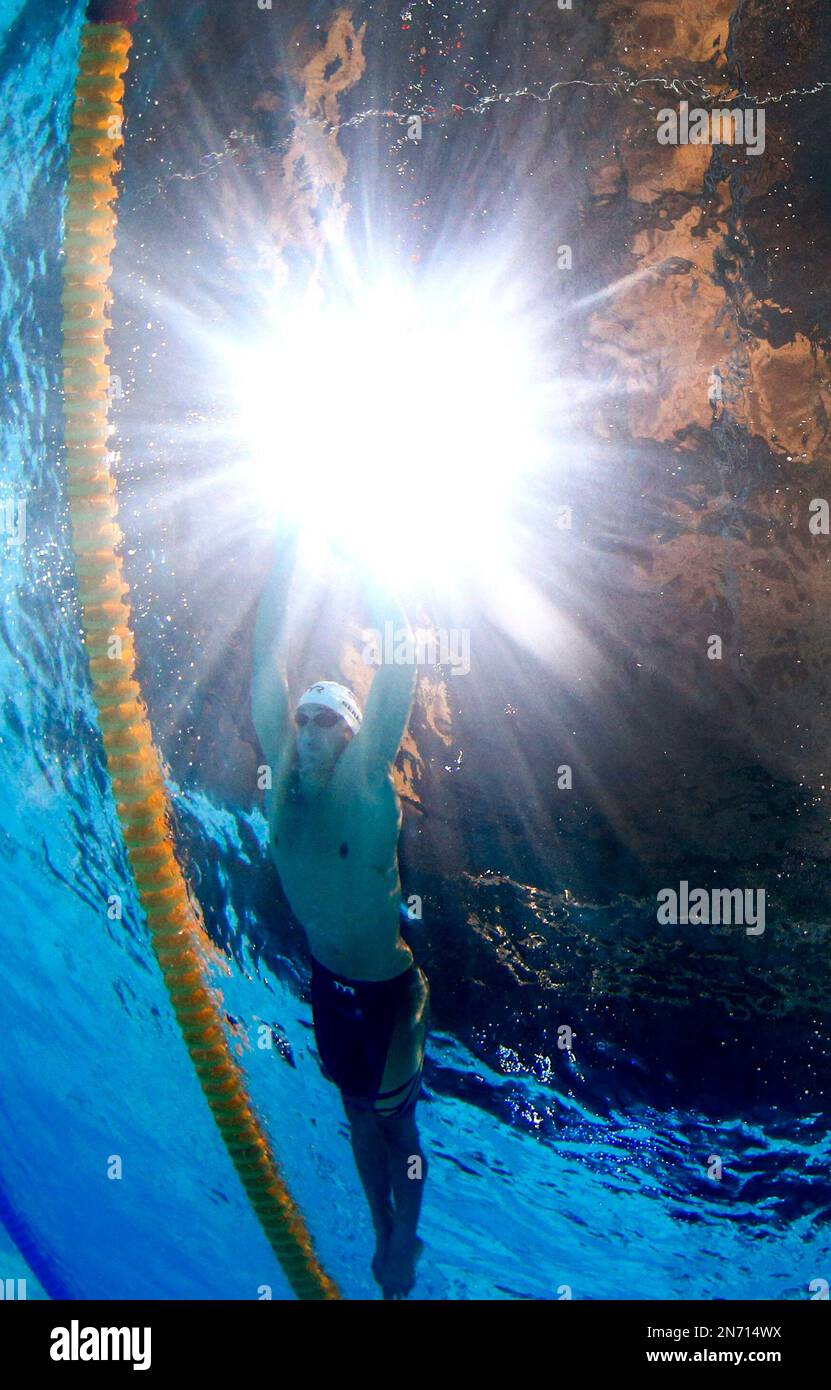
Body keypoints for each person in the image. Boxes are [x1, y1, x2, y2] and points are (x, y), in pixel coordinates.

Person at [250, 531, 430, 1299]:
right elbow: (265, 662)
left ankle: (404, 1239)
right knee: (358, 1118)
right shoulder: (284, 779)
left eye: (327, 719)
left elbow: (402, 666)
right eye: (304, 717)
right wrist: (287, 552)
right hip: (327, 984)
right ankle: (380, 1225)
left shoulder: (364, 781)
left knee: (397, 1127)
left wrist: (370, 566)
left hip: (388, 993)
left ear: (352, 734)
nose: (309, 728)